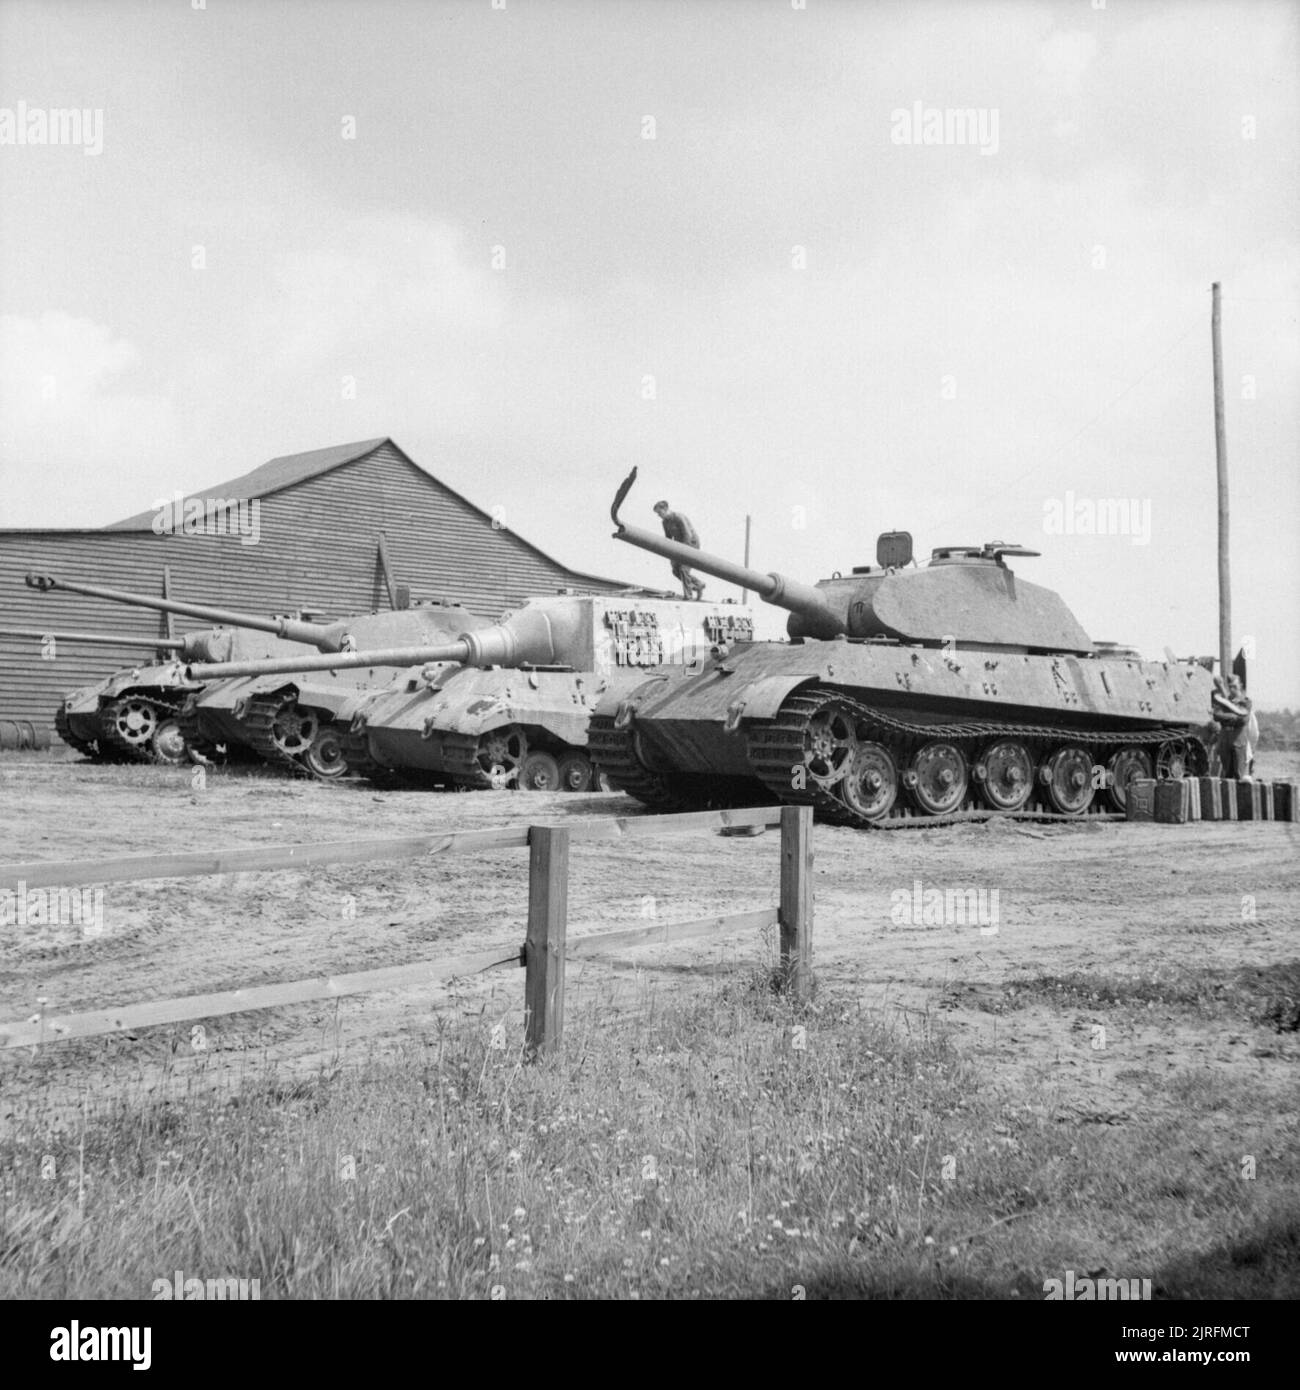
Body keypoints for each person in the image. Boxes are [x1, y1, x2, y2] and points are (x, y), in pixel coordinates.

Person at [653, 500, 706, 599]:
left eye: (659, 513)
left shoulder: (678, 517)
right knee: (676, 571)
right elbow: (668, 539)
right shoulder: (665, 522)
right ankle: (698, 584)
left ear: (665, 509)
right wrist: (671, 556)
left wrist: (683, 552)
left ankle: (688, 596)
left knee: (683, 569)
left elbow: (687, 535)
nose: (658, 515)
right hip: (679, 546)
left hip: (691, 544)